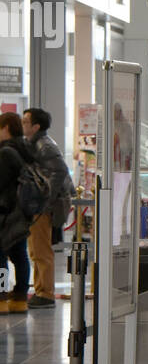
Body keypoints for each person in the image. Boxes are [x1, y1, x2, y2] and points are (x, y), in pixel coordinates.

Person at [21, 107, 75, 309]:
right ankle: (41, 289)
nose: (22, 125)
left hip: (44, 207)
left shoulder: (44, 145)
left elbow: (59, 172)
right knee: (35, 249)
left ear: (36, 126)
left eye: (26, 122)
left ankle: (46, 293)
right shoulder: (35, 144)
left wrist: (46, 199)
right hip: (40, 205)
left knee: (41, 250)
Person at [0, 113, 33, 315]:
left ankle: (1, 297)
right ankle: (20, 298)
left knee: (0, 256)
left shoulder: (6, 152)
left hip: (5, 211)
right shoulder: (26, 148)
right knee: (20, 255)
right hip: (22, 211)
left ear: (6, 127)